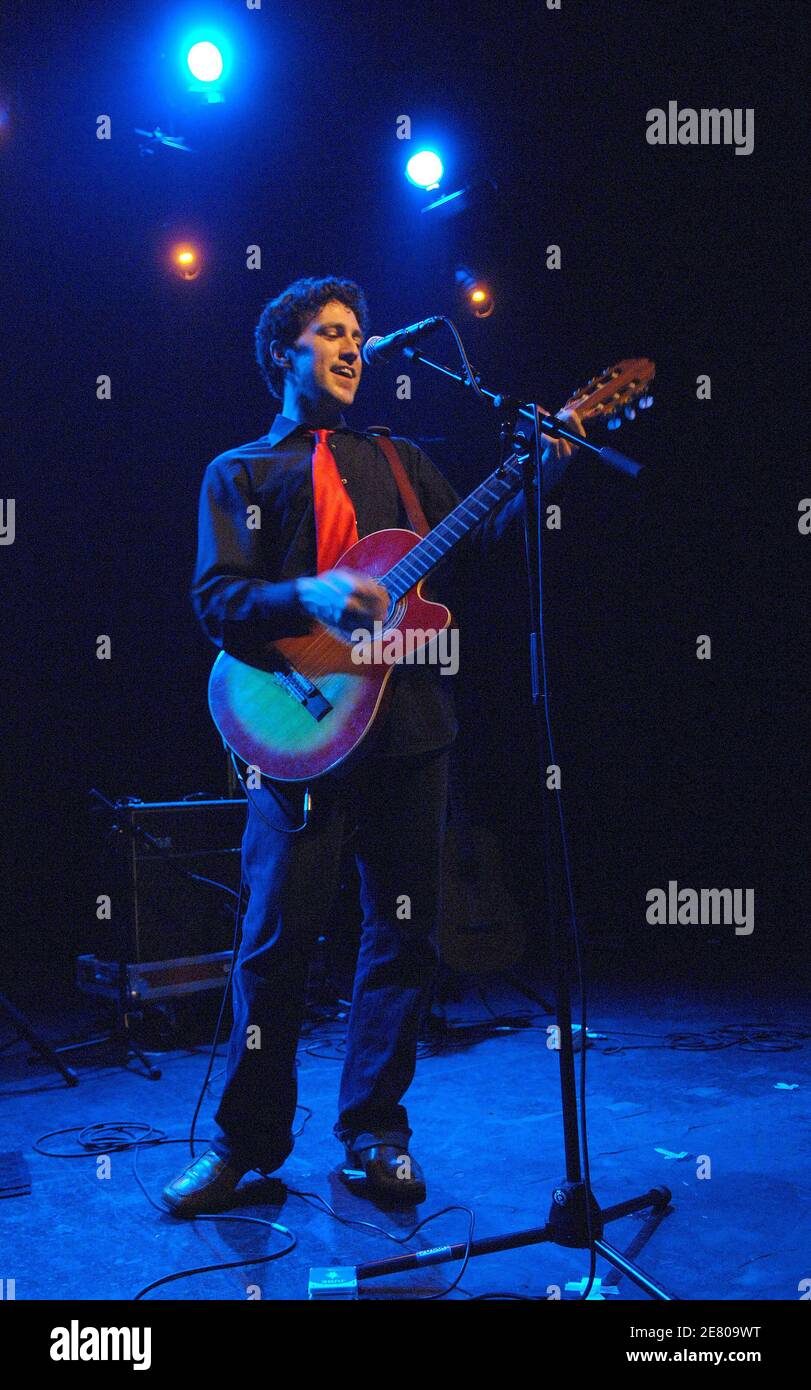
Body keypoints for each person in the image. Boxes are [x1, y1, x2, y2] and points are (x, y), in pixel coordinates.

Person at [162, 276, 582, 1215]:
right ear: (285, 352)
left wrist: (541, 471)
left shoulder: (400, 461)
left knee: (403, 938)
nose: (354, 348)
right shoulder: (242, 470)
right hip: (295, 731)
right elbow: (215, 601)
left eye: (358, 334)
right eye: (331, 334)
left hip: (408, 734)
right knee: (274, 948)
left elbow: (477, 554)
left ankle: (375, 1134)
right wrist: (302, 598)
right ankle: (245, 1143)